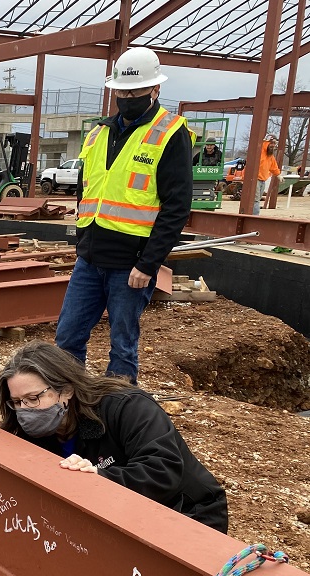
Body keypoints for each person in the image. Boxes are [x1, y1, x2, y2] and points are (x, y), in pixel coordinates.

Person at [56, 46, 193, 384]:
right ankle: (69, 408)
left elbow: (176, 209)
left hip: (131, 265)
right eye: (122, 91)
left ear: (155, 89)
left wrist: (148, 264)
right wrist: (83, 244)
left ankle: (118, 415)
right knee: (67, 340)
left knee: (122, 347)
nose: (127, 97)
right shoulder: (99, 133)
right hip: (90, 258)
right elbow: (87, 190)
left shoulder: (171, 133)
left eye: (135, 91)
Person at [0, 341, 228, 533]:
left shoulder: (126, 407)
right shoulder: (35, 432)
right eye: (17, 402)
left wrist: (99, 476)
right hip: (124, 516)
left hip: (188, 513)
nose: (25, 410)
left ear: (67, 390)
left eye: (34, 398)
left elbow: (163, 468)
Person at [255, 135, 281, 215]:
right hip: (255, 180)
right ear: (266, 142)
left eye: (274, 144)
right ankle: (254, 216)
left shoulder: (270, 156)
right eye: (272, 143)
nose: (273, 145)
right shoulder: (259, 153)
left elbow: (274, 167)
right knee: (255, 200)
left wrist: (278, 175)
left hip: (262, 180)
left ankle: (254, 215)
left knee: (257, 200)